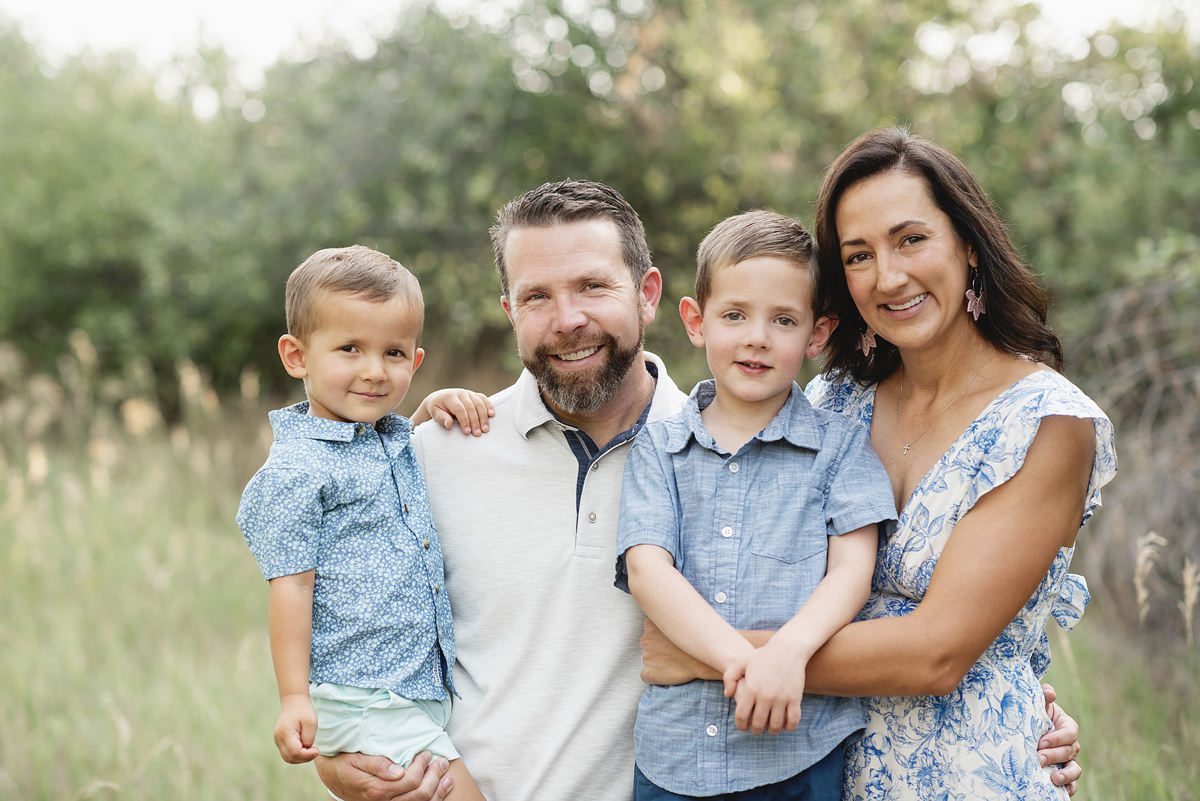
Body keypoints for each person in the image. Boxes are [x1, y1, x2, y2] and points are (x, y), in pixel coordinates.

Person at [313, 180, 1086, 801]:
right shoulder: (437, 452)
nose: (569, 319)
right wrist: (350, 751)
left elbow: (913, 619)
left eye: (593, 285)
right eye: (538, 296)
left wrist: (1014, 698)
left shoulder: (743, 444)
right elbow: (366, 638)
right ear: (509, 309)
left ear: (649, 293)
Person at [640, 128, 1115, 800]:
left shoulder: (1046, 423)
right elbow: (721, 493)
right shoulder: (834, 400)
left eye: (911, 239)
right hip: (817, 766)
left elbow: (937, 653)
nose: (888, 276)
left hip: (972, 775)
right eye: (859, 255)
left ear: (969, 246)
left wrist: (701, 656)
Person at [615, 211, 897, 800]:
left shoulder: (840, 446)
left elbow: (852, 570)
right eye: (735, 315)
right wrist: (743, 663)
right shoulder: (660, 448)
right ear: (696, 321)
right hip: (676, 757)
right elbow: (647, 569)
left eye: (784, 320)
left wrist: (789, 654)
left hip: (800, 754)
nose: (757, 337)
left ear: (817, 335)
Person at [236, 245, 486, 800]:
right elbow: (292, 589)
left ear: (415, 361)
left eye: (393, 352)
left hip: (412, 686)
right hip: (363, 695)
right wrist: (294, 699)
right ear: (297, 356)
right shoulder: (297, 471)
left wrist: (433, 406)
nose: (374, 371)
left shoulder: (387, 436)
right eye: (350, 349)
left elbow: (398, 450)